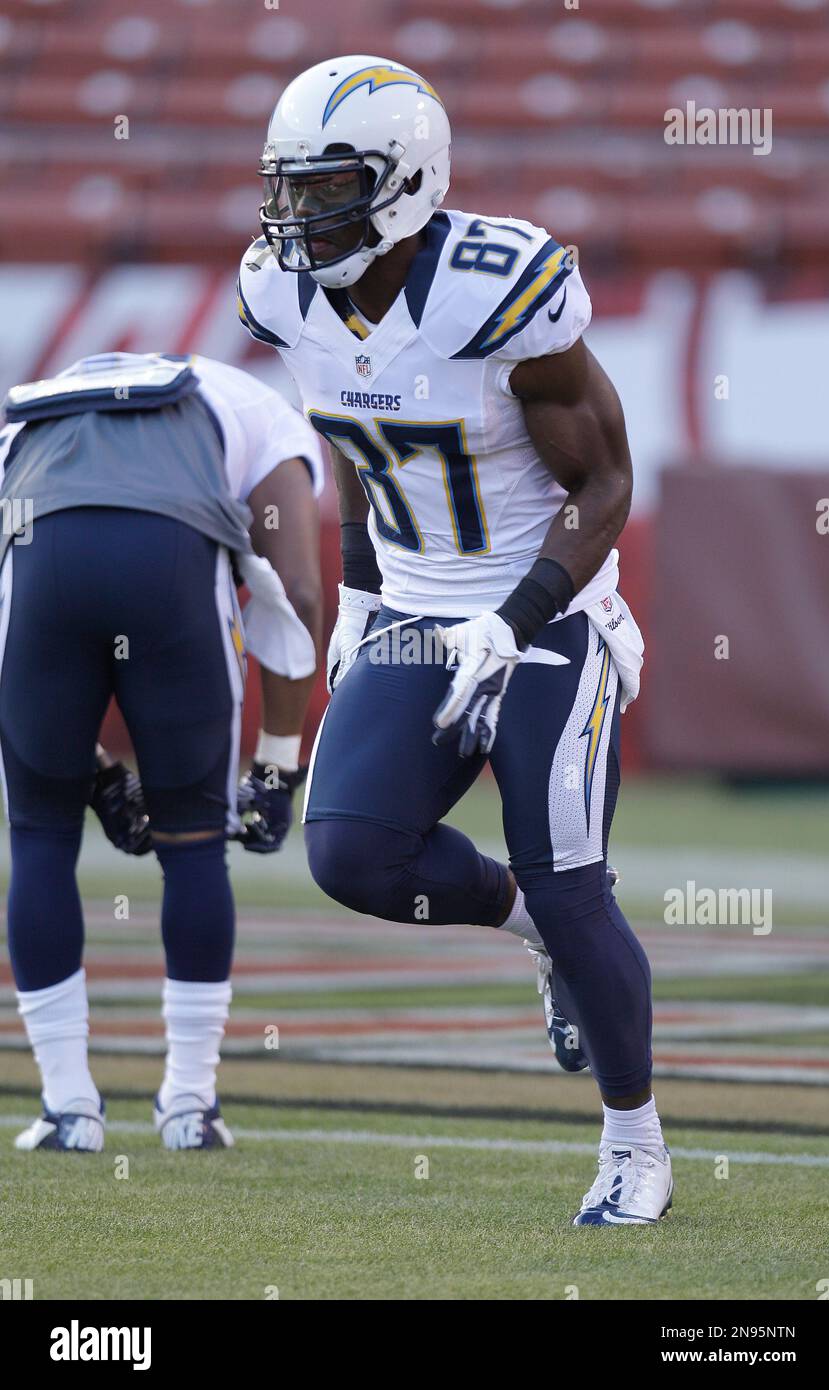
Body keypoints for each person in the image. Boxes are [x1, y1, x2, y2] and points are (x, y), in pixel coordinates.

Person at [236, 56, 670, 1225]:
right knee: (350, 853)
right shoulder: (283, 292)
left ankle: (636, 1148)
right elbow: (363, 455)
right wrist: (367, 604)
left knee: (574, 885)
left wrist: (514, 619)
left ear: (405, 184)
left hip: (547, 612)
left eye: (327, 188)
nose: (297, 216)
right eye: (290, 187)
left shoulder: (496, 286)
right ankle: (534, 937)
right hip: (418, 610)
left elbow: (607, 480)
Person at [0, 351, 323, 1151]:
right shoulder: (253, 405)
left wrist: (89, 773)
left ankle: (70, 1108)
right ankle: (189, 1105)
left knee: (40, 840)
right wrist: (278, 767)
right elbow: (301, 595)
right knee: (193, 845)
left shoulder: (25, 417)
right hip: (171, 563)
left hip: (44, 556)